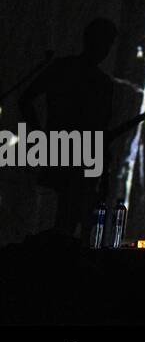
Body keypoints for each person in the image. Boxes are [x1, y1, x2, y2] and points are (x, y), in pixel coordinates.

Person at [19, 18, 118, 239]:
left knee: (72, 218)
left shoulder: (79, 74)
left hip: (74, 156)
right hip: (74, 157)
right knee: (70, 219)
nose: (105, 49)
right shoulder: (94, 80)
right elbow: (26, 99)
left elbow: (26, 99)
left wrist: (40, 138)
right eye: (105, 43)